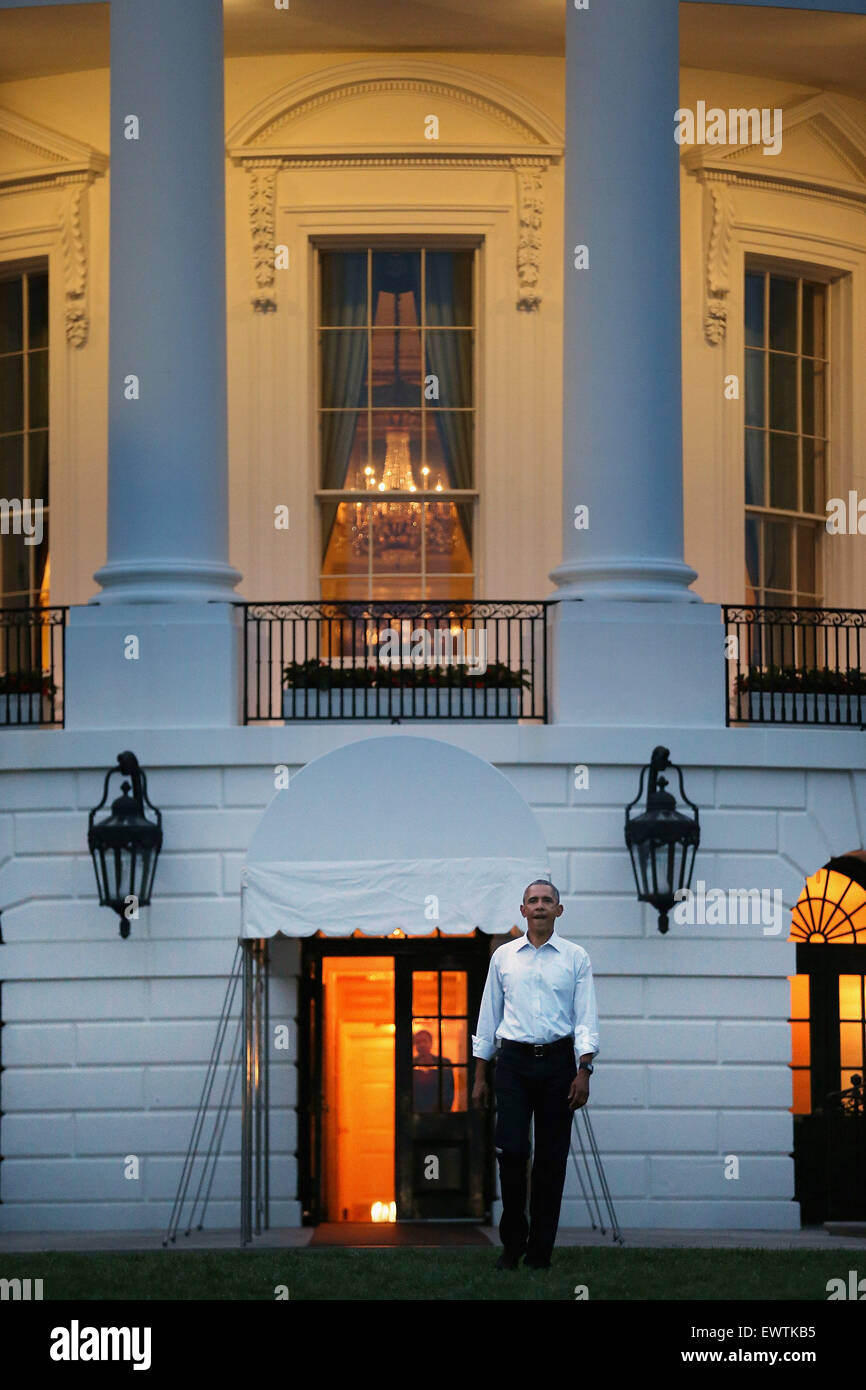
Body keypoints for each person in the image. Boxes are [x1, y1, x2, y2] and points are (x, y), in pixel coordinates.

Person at [471, 880, 599, 1270]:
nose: (540, 906)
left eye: (547, 900)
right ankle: (512, 1245)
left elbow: (586, 1018)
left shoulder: (576, 958)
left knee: (551, 1160)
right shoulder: (504, 958)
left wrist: (584, 1069)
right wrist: (480, 1075)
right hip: (512, 1064)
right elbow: (489, 1016)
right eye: (533, 901)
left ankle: (540, 1253)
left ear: (559, 911)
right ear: (522, 910)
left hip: (560, 1065)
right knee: (511, 1153)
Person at [412, 1028, 455, 1113]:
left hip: (439, 1112)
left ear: (431, 1043)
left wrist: (444, 1111)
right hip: (417, 1113)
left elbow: (449, 1090)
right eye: (418, 1042)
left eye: (424, 1041)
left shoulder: (444, 1063)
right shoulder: (411, 1064)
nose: (422, 1045)